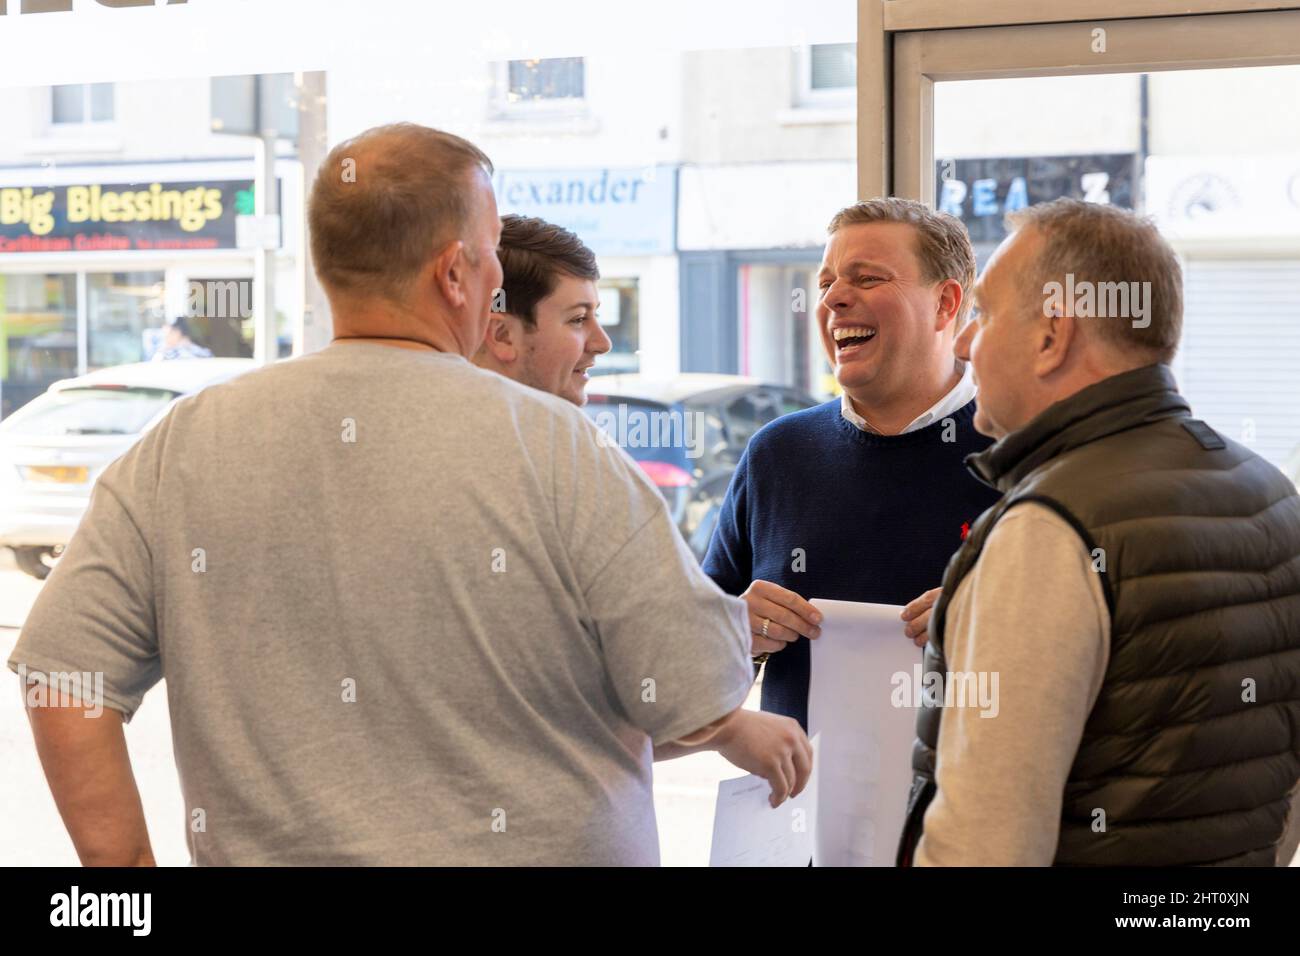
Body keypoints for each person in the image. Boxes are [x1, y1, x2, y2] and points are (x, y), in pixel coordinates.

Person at [7, 122, 810, 866]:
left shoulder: (182, 445)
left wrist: (127, 874)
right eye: (492, 253)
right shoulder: (558, 448)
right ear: (454, 274)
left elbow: (62, 671)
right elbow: (688, 689)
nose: (496, 274)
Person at [899, 198, 1300, 867]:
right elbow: (1276, 795)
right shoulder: (1269, 493)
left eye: (985, 314)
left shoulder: (1049, 530)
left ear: (1052, 335)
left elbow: (984, 845)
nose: (965, 344)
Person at [702, 198, 1001, 731]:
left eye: (866, 279)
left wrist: (1001, 635)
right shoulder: (776, 455)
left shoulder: (1024, 455)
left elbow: (1102, 665)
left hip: (978, 809)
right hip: (802, 809)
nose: (835, 299)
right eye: (825, 284)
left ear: (945, 303)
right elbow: (690, 681)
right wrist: (733, 637)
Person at [473, 214, 611, 407]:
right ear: (502, 335)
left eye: (595, 315)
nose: (603, 344)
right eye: (578, 319)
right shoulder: (567, 433)